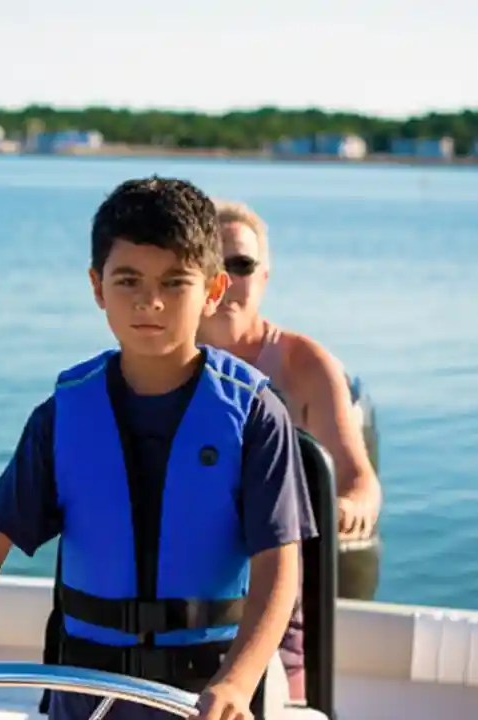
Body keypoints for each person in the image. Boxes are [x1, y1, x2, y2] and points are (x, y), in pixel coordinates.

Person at [0, 177, 316, 720]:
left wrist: (238, 680)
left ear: (214, 290)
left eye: (175, 282)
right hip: (83, 693)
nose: (149, 301)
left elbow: (280, 565)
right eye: (128, 279)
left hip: (205, 700)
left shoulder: (254, 414)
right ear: (97, 285)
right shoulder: (64, 416)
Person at [198, 200, 383, 699]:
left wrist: (336, 512)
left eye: (241, 264)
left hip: (276, 604)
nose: (228, 279)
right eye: (214, 263)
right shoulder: (164, 360)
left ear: (265, 274)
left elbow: (358, 480)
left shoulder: (303, 364)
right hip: (185, 604)